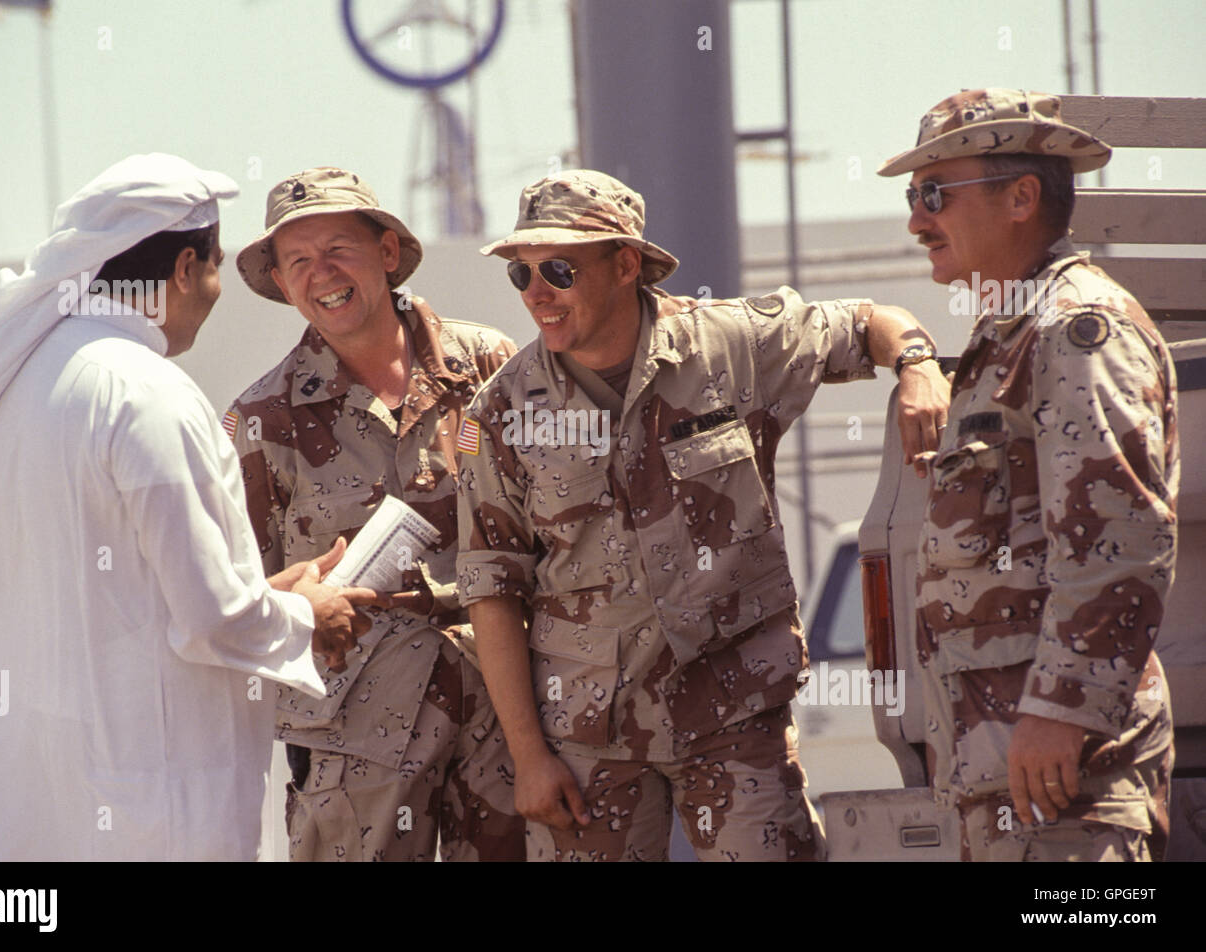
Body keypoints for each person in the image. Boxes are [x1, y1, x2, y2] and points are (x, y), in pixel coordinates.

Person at [455, 169, 950, 861]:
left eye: (559, 269)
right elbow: (492, 588)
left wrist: (919, 366)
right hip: (587, 737)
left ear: (625, 263)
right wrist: (529, 755)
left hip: (731, 711)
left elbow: (869, 323)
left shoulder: (730, 345)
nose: (537, 293)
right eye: (522, 274)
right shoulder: (501, 413)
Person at [0, 154, 385, 861]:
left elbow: (128, 594)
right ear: (185, 269)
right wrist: (311, 613)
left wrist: (268, 592)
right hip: (150, 812)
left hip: (50, 812)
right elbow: (212, 616)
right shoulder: (147, 393)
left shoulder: (32, 382)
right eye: (215, 267)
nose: (216, 290)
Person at [878, 88, 1178, 861]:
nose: (917, 220)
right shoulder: (1006, 335)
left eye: (936, 194)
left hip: (1067, 777)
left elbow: (1123, 540)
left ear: (1021, 196)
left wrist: (1061, 712)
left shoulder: (1075, 330)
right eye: (915, 197)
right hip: (1005, 774)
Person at [228, 167, 526, 861]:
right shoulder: (259, 423)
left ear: (388, 252)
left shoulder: (487, 367)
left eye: (338, 249)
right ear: (280, 282)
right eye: (297, 261)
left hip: (504, 718)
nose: (320, 273)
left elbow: (551, 523)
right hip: (354, 741)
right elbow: (241, 593)